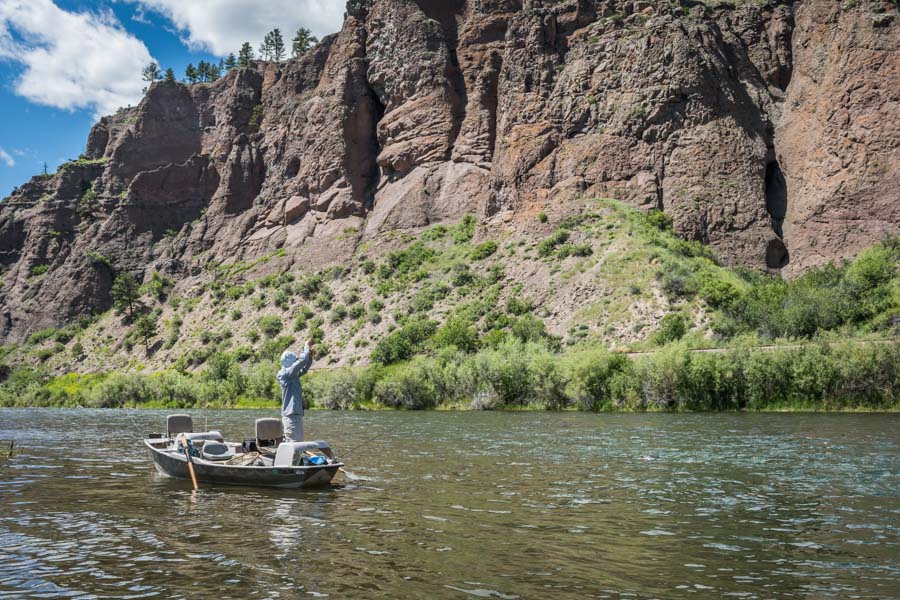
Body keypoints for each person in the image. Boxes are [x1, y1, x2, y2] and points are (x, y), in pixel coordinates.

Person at [277, 340, 313, 442]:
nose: (296, 363)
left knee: (298, 444)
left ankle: (297, 458)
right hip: (291, 416)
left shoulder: (292, 375)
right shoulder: (286, 374)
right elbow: (302, 361)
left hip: (296, 414)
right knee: (293, 444)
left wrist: (310, 356)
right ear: (290, 363)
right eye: (295, 361)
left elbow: (304, 368)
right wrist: (306, 346)